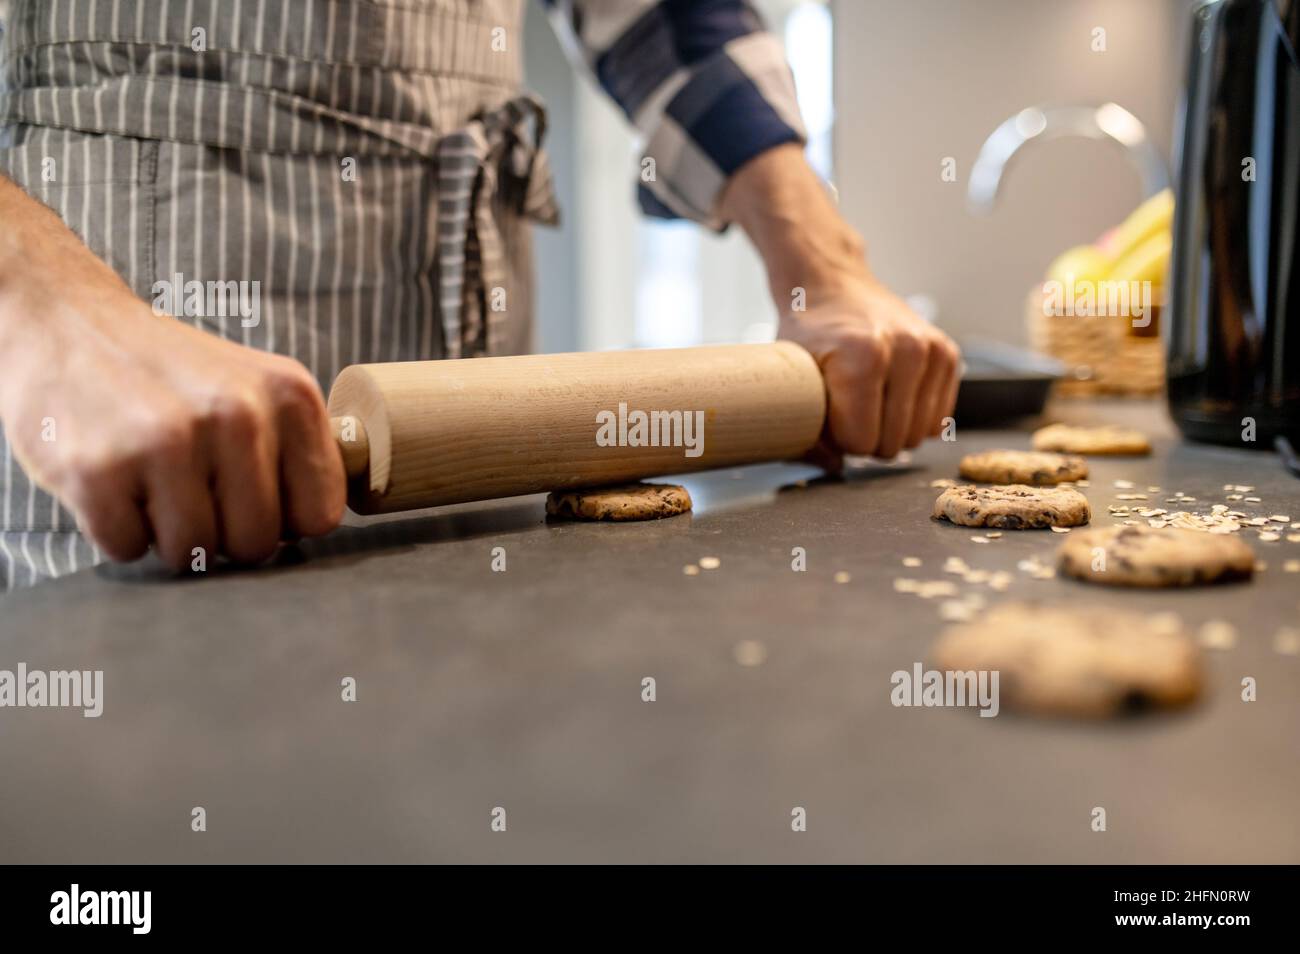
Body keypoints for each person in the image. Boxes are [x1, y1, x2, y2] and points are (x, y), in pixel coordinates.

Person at [0, 0, 959, 592]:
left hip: (478, 441)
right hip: (113, 370)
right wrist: (48, 308)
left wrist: (824, 263)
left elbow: (662, 13)